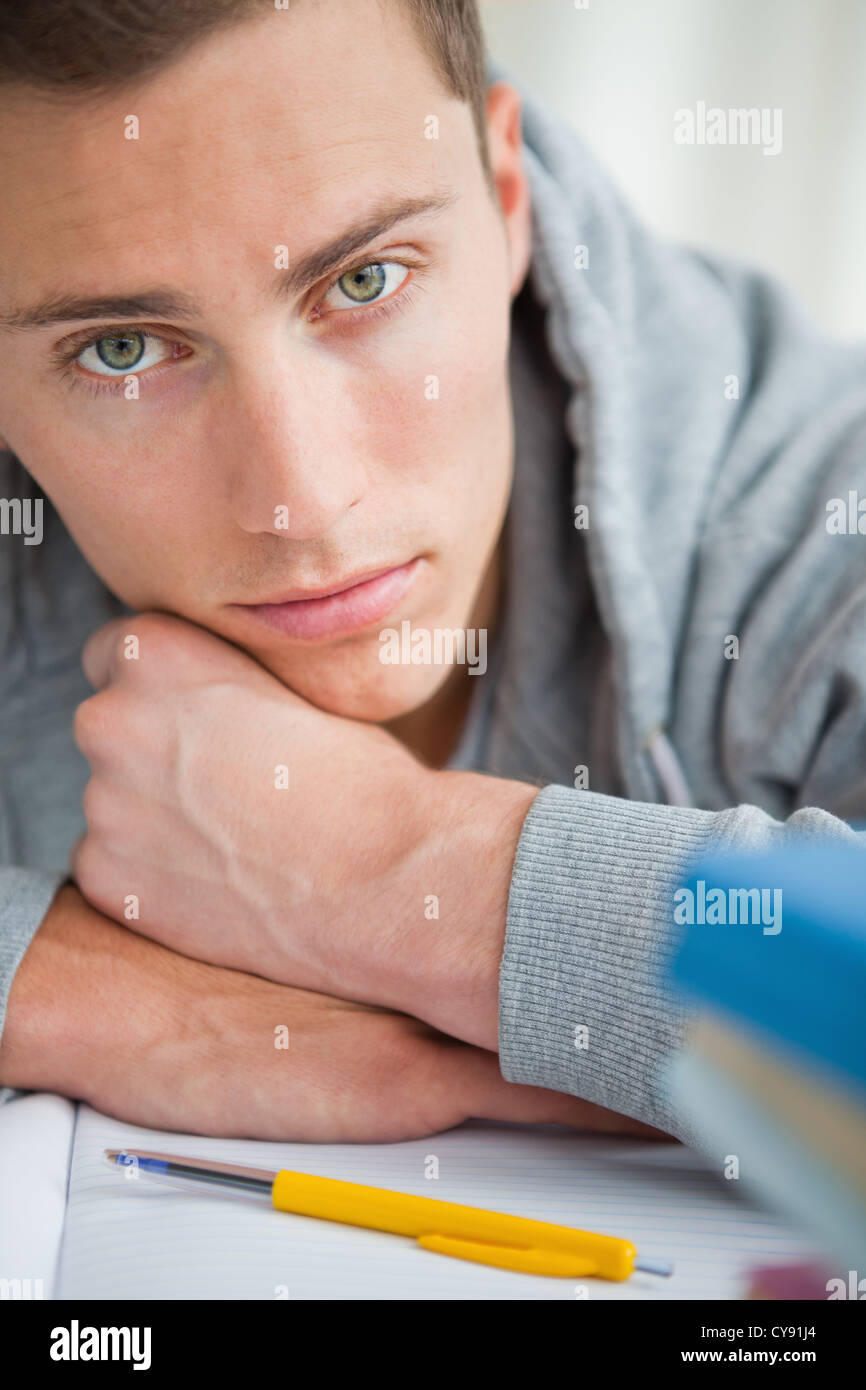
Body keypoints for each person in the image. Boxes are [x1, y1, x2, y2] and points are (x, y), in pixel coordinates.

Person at [0, 0, 863, 1146]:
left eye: (364, 282)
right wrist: (84, 997)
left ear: (505, 192)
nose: (303, 498)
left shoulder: (815, 512)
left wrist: (389, 869)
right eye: (122, 349)